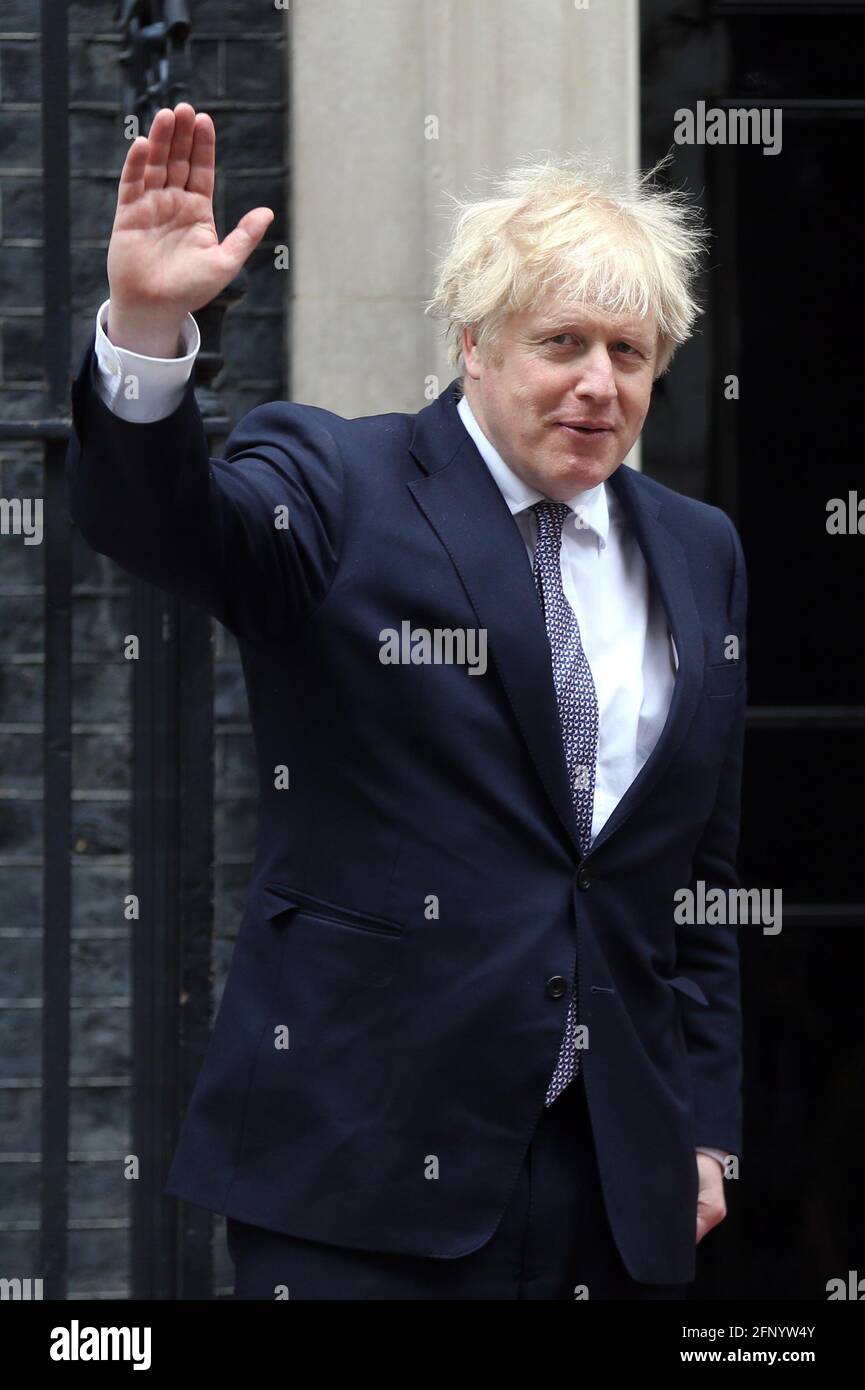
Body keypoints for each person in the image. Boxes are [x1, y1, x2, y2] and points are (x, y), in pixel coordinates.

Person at [65, 103, 746, 1300]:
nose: (597, 385)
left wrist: (701, 1124)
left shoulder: (698, 550)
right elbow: (163, 525)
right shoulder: (339, 482)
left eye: (628, 355)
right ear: (474, 343)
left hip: (614, 1186)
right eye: (561, 344)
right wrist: (154, 325)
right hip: (362, 1169)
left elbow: (696, 874)